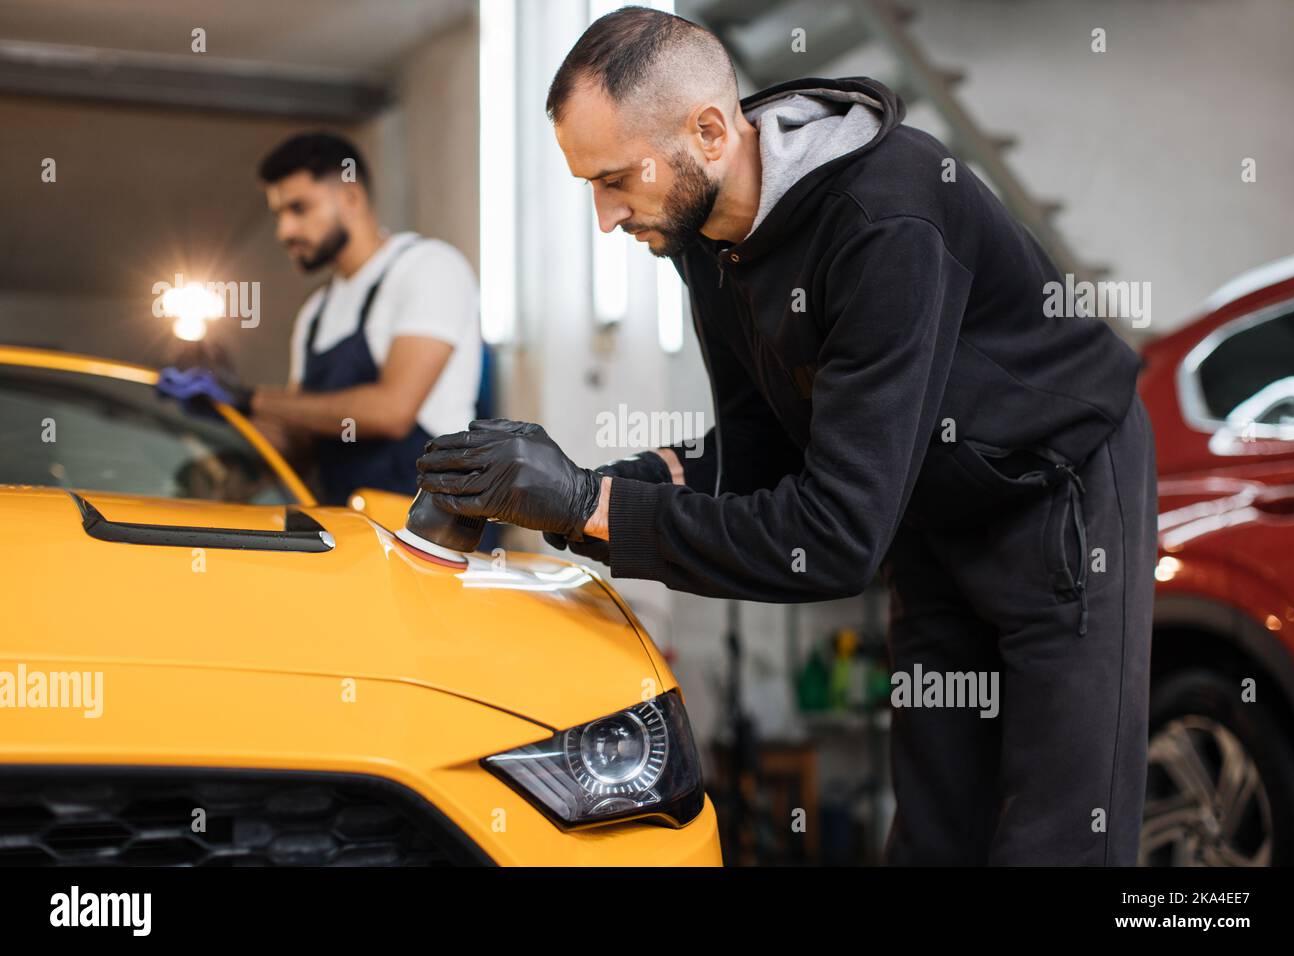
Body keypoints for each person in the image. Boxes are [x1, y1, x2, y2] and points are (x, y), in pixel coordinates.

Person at [415, 7, 1157, 865]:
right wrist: (565, 489)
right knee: (934, 831)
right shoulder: (703, 238)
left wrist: (591, 505)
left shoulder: (887, 219)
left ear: (708, 131)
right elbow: (759, 450)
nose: (606, 218)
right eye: (590, 185)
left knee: (1058, 838)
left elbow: (833, 540)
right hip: (920, 504)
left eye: (616, 179)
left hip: (1055, 494)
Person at [162, 132, 481, 505]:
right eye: (278, 215)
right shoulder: (316, 313)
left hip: (435, 534)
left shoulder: (428, 268)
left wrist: (249, 397)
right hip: (349, 535)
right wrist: (223, 417)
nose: (285, 232)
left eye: (299, 209)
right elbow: (298, 442)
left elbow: (391, 412)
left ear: (351, 198)